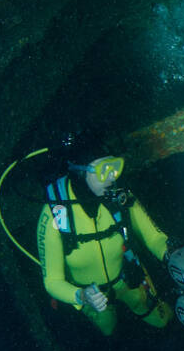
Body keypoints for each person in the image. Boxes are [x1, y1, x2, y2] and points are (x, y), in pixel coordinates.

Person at [36, 134, 174, 335]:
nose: (112, 177)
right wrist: (80, 295)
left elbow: (154, 237)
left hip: (126, 278)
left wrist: (171, 254)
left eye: (114, 167)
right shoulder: (55, 216)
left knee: (163, 320)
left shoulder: (121, 199)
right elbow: (52, 281)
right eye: (103, 170)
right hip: (91, 295)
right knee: (107, 329)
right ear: (80, 172)